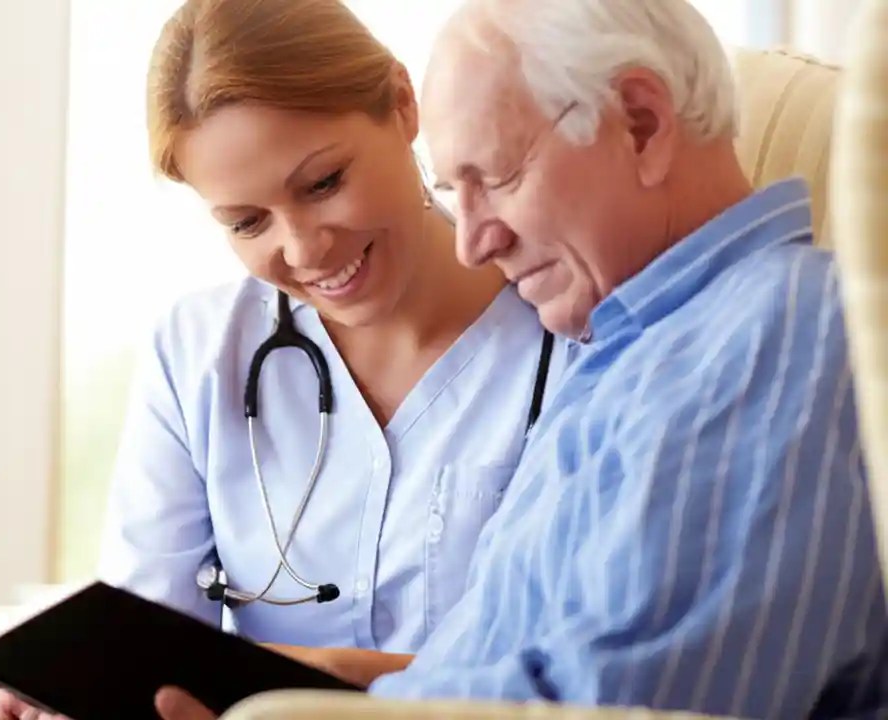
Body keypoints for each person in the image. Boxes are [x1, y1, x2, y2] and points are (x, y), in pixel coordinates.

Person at [152, 0, 888, 718]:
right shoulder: (627, 355)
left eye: (497, 178)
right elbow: (506, 676)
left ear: (641, 124)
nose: (474, 244)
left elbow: (621, 702)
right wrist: (323, 684)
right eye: (454, 191)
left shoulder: (774, 337)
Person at [0, 1, 574, 718]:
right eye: (247, 222)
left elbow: (596, 667)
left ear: (404, 105)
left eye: (323, 183)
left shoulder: (575, 333)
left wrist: (309, 674)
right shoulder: (198, 352)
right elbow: (144, 645)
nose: (304, 248)